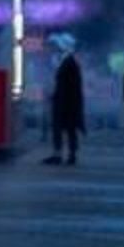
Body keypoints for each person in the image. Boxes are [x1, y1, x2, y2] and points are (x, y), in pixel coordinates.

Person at [45, 34, 83, 165]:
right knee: (64, 128)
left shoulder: (69, 63)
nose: (55, 50)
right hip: (64, 101)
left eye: (57, 47)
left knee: (67, 128)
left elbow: (70, 86)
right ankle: (62, 154)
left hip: (66, 102)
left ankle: (65, 155)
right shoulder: (66, 62)